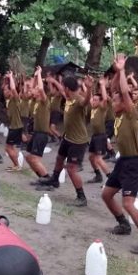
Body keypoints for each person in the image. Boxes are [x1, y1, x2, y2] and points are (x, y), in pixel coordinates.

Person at [102, 54, 138, 254]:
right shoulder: (118, 114)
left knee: (128, 203)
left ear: (123, 103)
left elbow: (123, 91)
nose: (112, 102)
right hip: (123, 161)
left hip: (133, 163)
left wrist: (123, 70)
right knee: (106, 195)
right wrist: (116, 71)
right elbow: (115, 89)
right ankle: (123, 225)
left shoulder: (132, 114)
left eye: (115, 101)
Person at [38, 73, 92, 207]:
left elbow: (86, 102)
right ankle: (54, 180)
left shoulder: (78, 100)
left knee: (71, 168)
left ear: (68, 88)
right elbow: (61, 90)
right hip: (68, 137)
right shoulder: (68, 97)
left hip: (78, 141)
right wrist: (53, 81)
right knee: (59, 158)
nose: (62, 89)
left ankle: (81, 196)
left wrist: (90, 89)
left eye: (63, 87)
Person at [25, 67, 52, 183]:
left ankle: (47, 179)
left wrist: (40, 74)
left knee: (35, 159)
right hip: (36, 133)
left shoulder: (44, 102)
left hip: (42, 134)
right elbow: (33, 88)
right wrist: (35, 76)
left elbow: (40, 88)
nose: (33, 90)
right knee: (29, 158)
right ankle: (41, 178)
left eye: (36, 89)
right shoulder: (35, 101)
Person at [86, 76, 111, 184]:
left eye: (96, 100)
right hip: (94, 136)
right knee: (91, 157)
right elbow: (90, 97)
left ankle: (111, 180)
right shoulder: (93, 108)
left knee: (98, 159)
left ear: (100, 102)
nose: (93, 101)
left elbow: (105, 99)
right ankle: (98, 176)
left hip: (101, 136)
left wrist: (102, 85)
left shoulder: (101, 109)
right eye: (93, 100)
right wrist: (89, 86)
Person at [3, 71, 24, 171]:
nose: (4, 92)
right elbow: (6, 86)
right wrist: (6, 78)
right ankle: (16, 164)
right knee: (11, 148)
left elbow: (13, 88)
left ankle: (17, 165)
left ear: (11, 91)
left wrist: (11, 77)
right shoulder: (8, 100)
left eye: (6, 90)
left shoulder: (15, 99)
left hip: (15, 127)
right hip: (14, 126)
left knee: (8, 148)